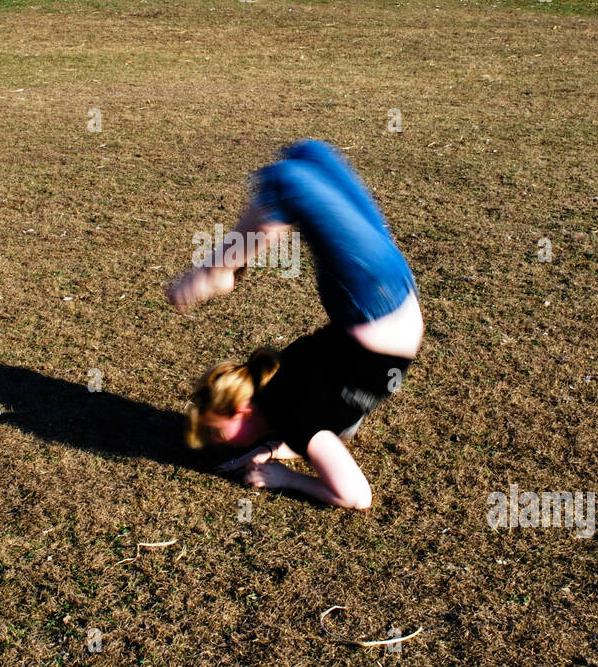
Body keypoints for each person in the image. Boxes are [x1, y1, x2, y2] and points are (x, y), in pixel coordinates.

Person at [166, 139, 423, 510]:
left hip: (379, 302)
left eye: (216, 431)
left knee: (307, 155)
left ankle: (217, 272)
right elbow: (353, 489)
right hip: (375, 298)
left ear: (241, 411)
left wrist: (279, 457)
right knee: (288, 179)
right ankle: (217, 271)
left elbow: (340, 470)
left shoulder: (287, 411)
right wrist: (284, 466)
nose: (217, 440)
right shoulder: (281, 398)